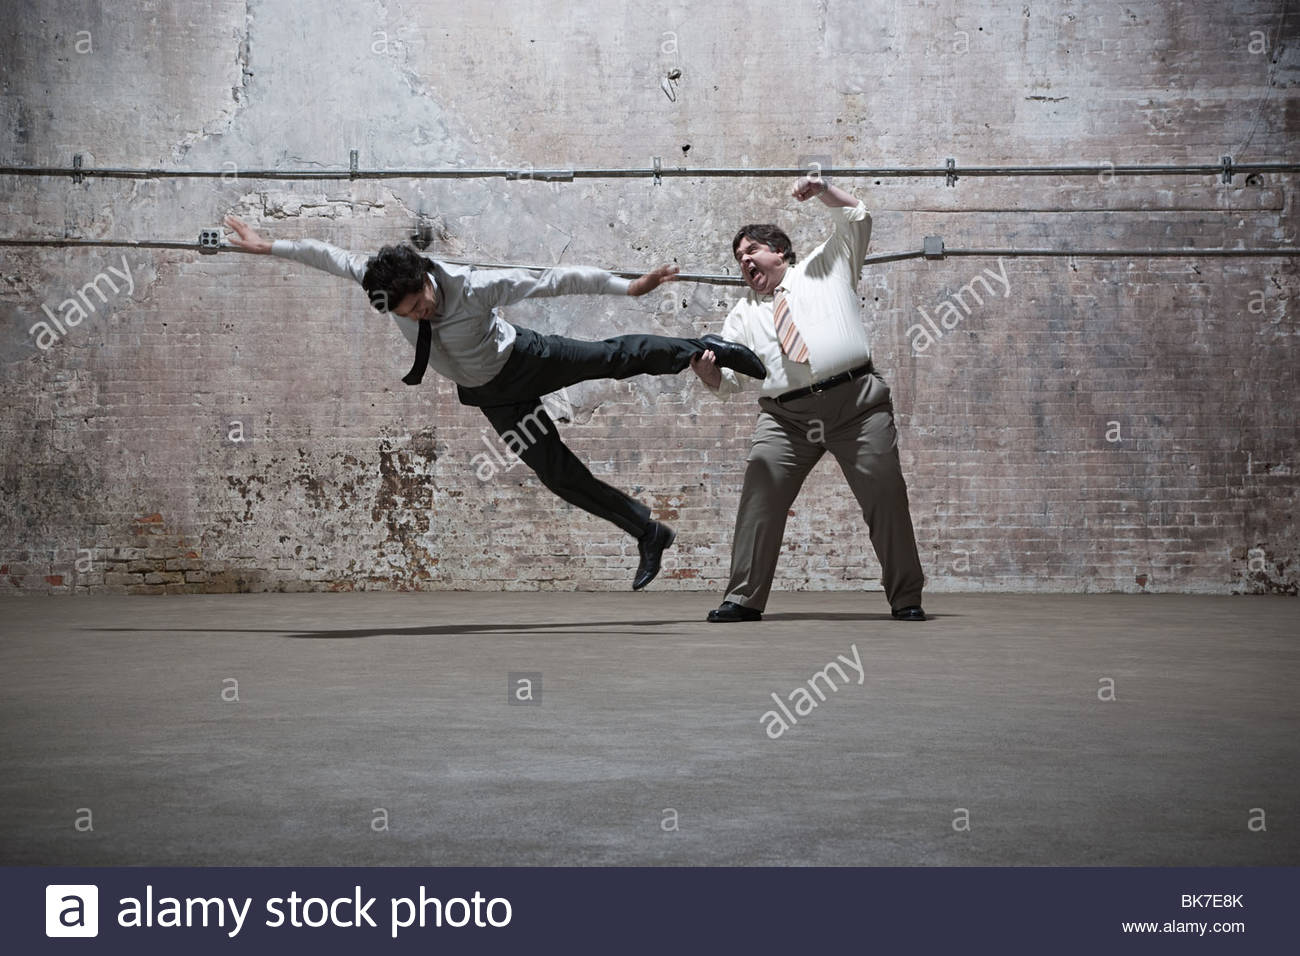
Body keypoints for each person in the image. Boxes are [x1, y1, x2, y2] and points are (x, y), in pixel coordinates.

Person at [222, 215, 766, 590]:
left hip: (528, 359)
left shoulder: (474, 284)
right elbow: (324, 254)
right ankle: (648, 531)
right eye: (406, 313)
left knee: (612, 358)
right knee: (558, 475)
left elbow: (554, 280)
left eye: (421, 304)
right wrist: (265, 246)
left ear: (428, 280)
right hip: (492, 395)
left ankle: (703, 348)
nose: (418, 316)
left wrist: (628, 288)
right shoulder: (382, 283)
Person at [689, 176, 927, 622]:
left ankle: (906, 597)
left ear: (779, 251)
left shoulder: (827, 266)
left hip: (857, 406)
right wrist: (709, 375)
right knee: (759, 499)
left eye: (751, 251)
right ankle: (743, 599)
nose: (744, 261)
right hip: (786, 418)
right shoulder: (741, 314)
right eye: (739, 258)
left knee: (885, 496)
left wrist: (822, 190)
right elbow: (733, 384)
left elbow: (857, 216)